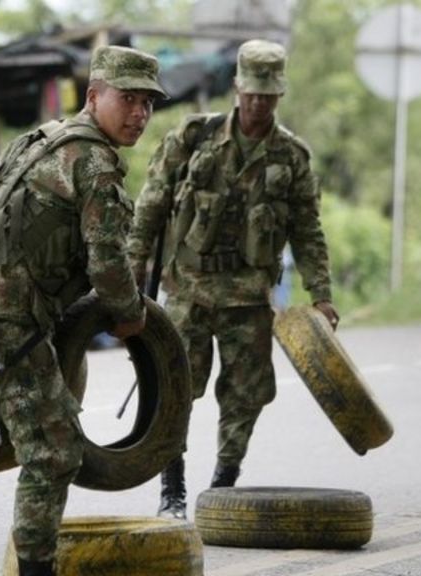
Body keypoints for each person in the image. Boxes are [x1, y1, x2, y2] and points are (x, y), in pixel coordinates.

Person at [0, 45, 167, 576]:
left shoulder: (40, 139)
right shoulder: (95, 164)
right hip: (6, 325)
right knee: (53, 453)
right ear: (94, 96)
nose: (139, 113)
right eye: (128, 99)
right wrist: (129, 314)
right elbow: (108, 264)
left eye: (148, 103)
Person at [127, 39, 340, 519]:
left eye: (269, 96)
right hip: (188, 290)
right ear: (237, 89)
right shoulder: (192, 138)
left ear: (279, 96)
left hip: (248, 296)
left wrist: (321, 295)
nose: (259, 104)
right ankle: (172, 491)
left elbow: (308, 231)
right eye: (252, 94)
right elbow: (151, 207)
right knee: (174, 389)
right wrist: (132, 269)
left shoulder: (292, 157)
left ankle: (222, 488)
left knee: (245, 396)